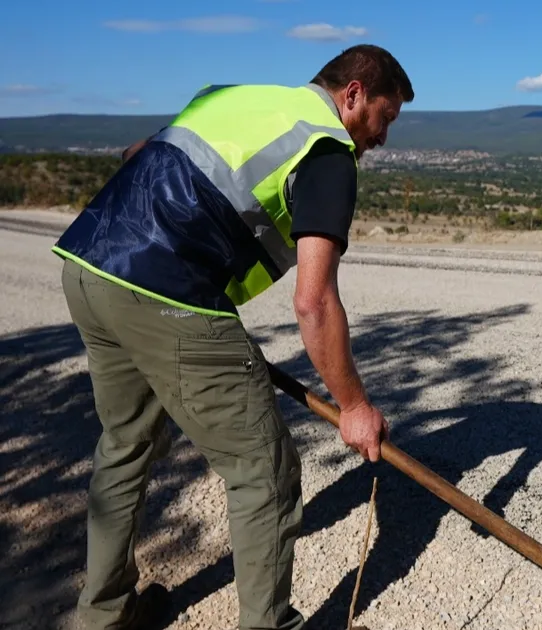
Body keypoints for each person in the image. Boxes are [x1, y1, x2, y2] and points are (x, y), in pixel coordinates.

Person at [52, 44, 414, 630]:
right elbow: (314, 301)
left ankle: (102, 616)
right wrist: (354, 406)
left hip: (89, 264)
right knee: (264, 472)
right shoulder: (326, 150)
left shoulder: (233, 98)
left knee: (125, 444)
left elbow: (139, 152)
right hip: (167, 293)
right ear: (354, 95)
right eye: (385, 117)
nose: (382, 137)